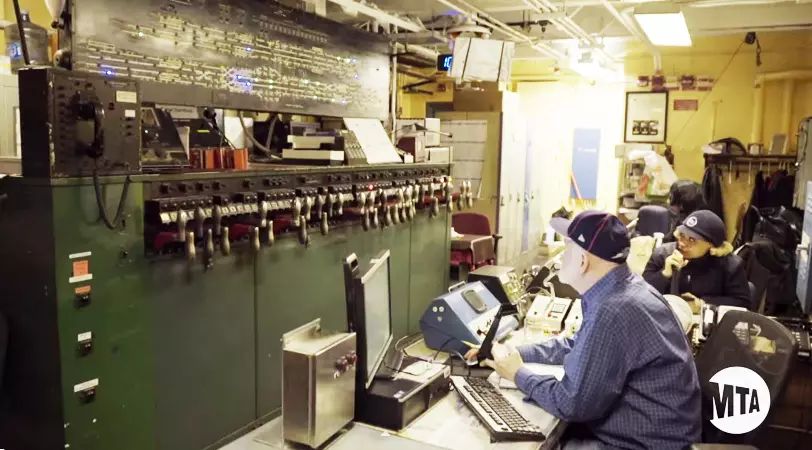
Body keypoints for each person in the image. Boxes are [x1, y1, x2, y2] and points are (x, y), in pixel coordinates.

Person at [467, 211, 701, 450]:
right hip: (648, 434)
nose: (561, 257)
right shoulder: (621, 290)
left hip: (641, 445)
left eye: (567, 248)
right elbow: (577, 344)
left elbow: (571, 403)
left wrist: (518, 374)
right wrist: (514, 351)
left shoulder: (614, 310)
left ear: (582, 261)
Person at [643, 209, 751, 310]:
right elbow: (642, 293)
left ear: (712, 245)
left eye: (692, 239)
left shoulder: (730, 265)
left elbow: (742, 302)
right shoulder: (662, 254)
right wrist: (664, 275)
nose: (682, 243)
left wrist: (704, 304)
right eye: (682, 235)